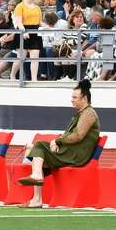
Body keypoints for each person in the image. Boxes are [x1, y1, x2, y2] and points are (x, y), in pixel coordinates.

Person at [17, 79, 101, 208]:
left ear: (84, 98)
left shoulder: (88, 113)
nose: (72, 100)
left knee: (39, 145)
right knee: (35, 154)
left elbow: (77, 136)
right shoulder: (80, 114)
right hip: (71, 152)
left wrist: (57, 141)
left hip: (77, 156)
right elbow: (68, 135)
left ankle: (37, 177)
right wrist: (56, 142)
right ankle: (36, 198)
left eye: (74, 97)